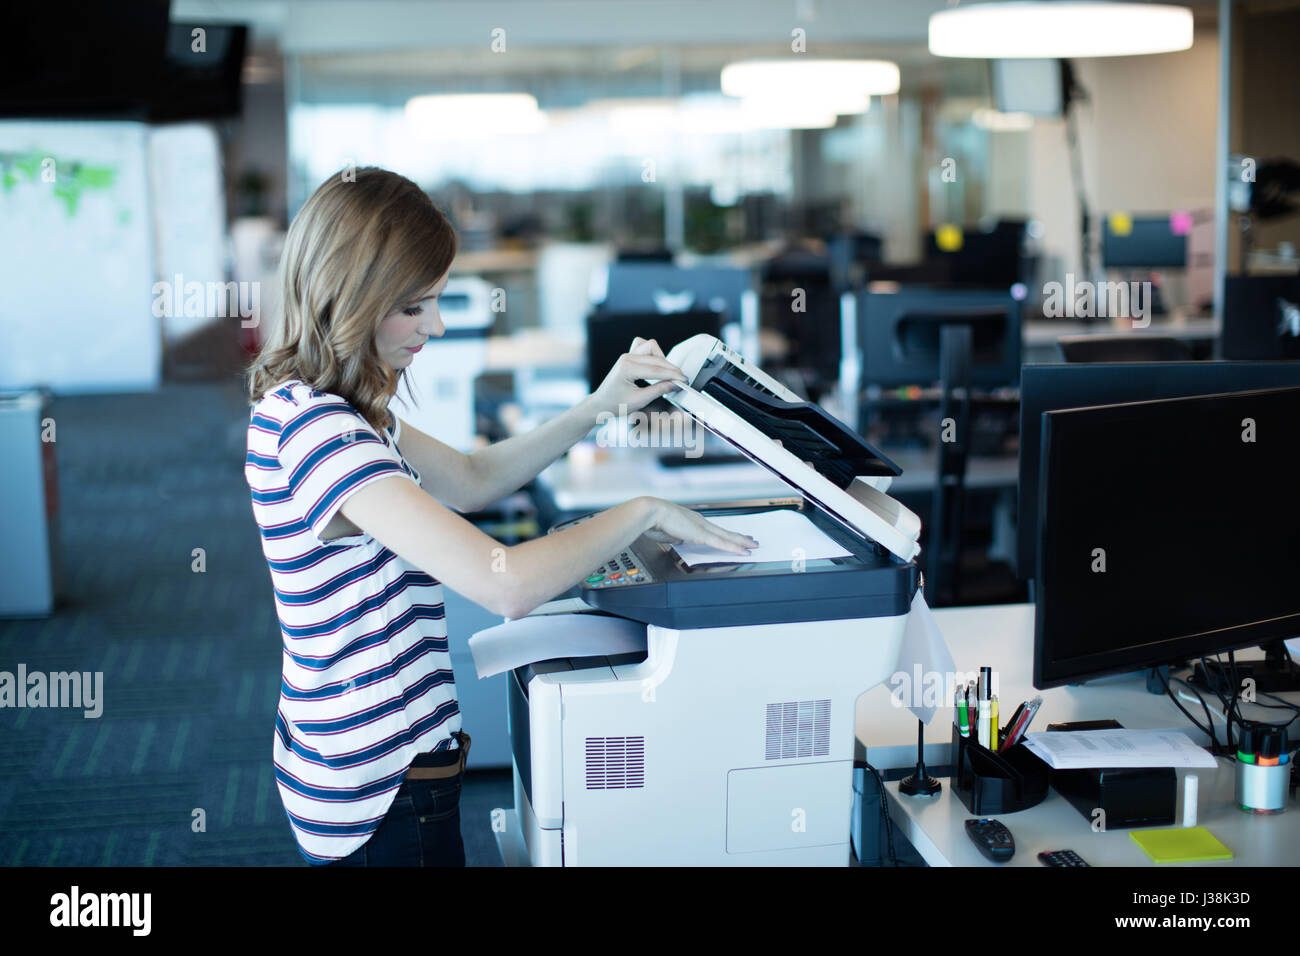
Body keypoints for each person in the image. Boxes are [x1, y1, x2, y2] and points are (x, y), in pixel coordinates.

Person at [244, 167, 756, 866]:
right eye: (414, 306)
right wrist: (642, 512)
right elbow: (505, 583)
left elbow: (474, 480)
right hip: (380, 788)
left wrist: (599, 405)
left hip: (360, 762)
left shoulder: (337, 411)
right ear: (351, 297)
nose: (437, 325)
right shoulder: (323, 434)